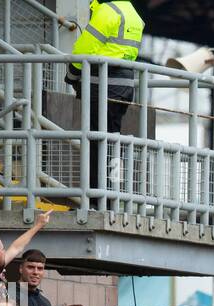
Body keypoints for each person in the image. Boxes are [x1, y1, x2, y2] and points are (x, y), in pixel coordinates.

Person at [66, 1, 145, 191]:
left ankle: (96, 196)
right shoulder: (131, 12)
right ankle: (110, 194)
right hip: (124, 86)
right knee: (112, 139)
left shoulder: (107, 11)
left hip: (102, 85)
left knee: (96, 142)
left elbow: (83, 50)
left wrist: (71, 75)